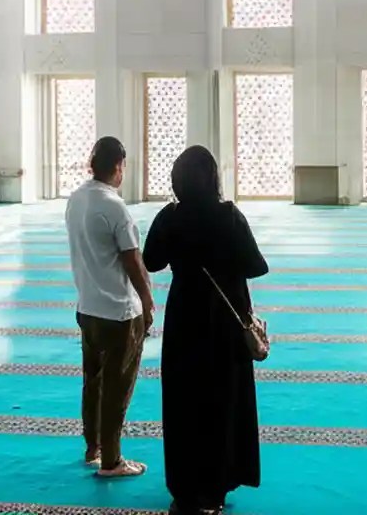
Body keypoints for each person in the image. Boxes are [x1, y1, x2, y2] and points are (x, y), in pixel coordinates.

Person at [142, 145, 268, 515]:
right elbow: (255, 266)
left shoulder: (170, 217)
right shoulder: (229, 216)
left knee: (184, 404)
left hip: (185, 320)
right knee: (221, 402)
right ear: (214, 177)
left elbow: (151, 261)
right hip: (225, 325)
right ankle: (213, 490)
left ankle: (184, 491)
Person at [65, 136, 155, 478]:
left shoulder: (76, 200)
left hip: (87, 308)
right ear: (119, 166)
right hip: (119, 313)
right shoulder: (114, 206)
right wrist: (147, 301)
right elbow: (132, 260)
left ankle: (93, 447)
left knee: (94, 381)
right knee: (118, 388)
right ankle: (112, 461)